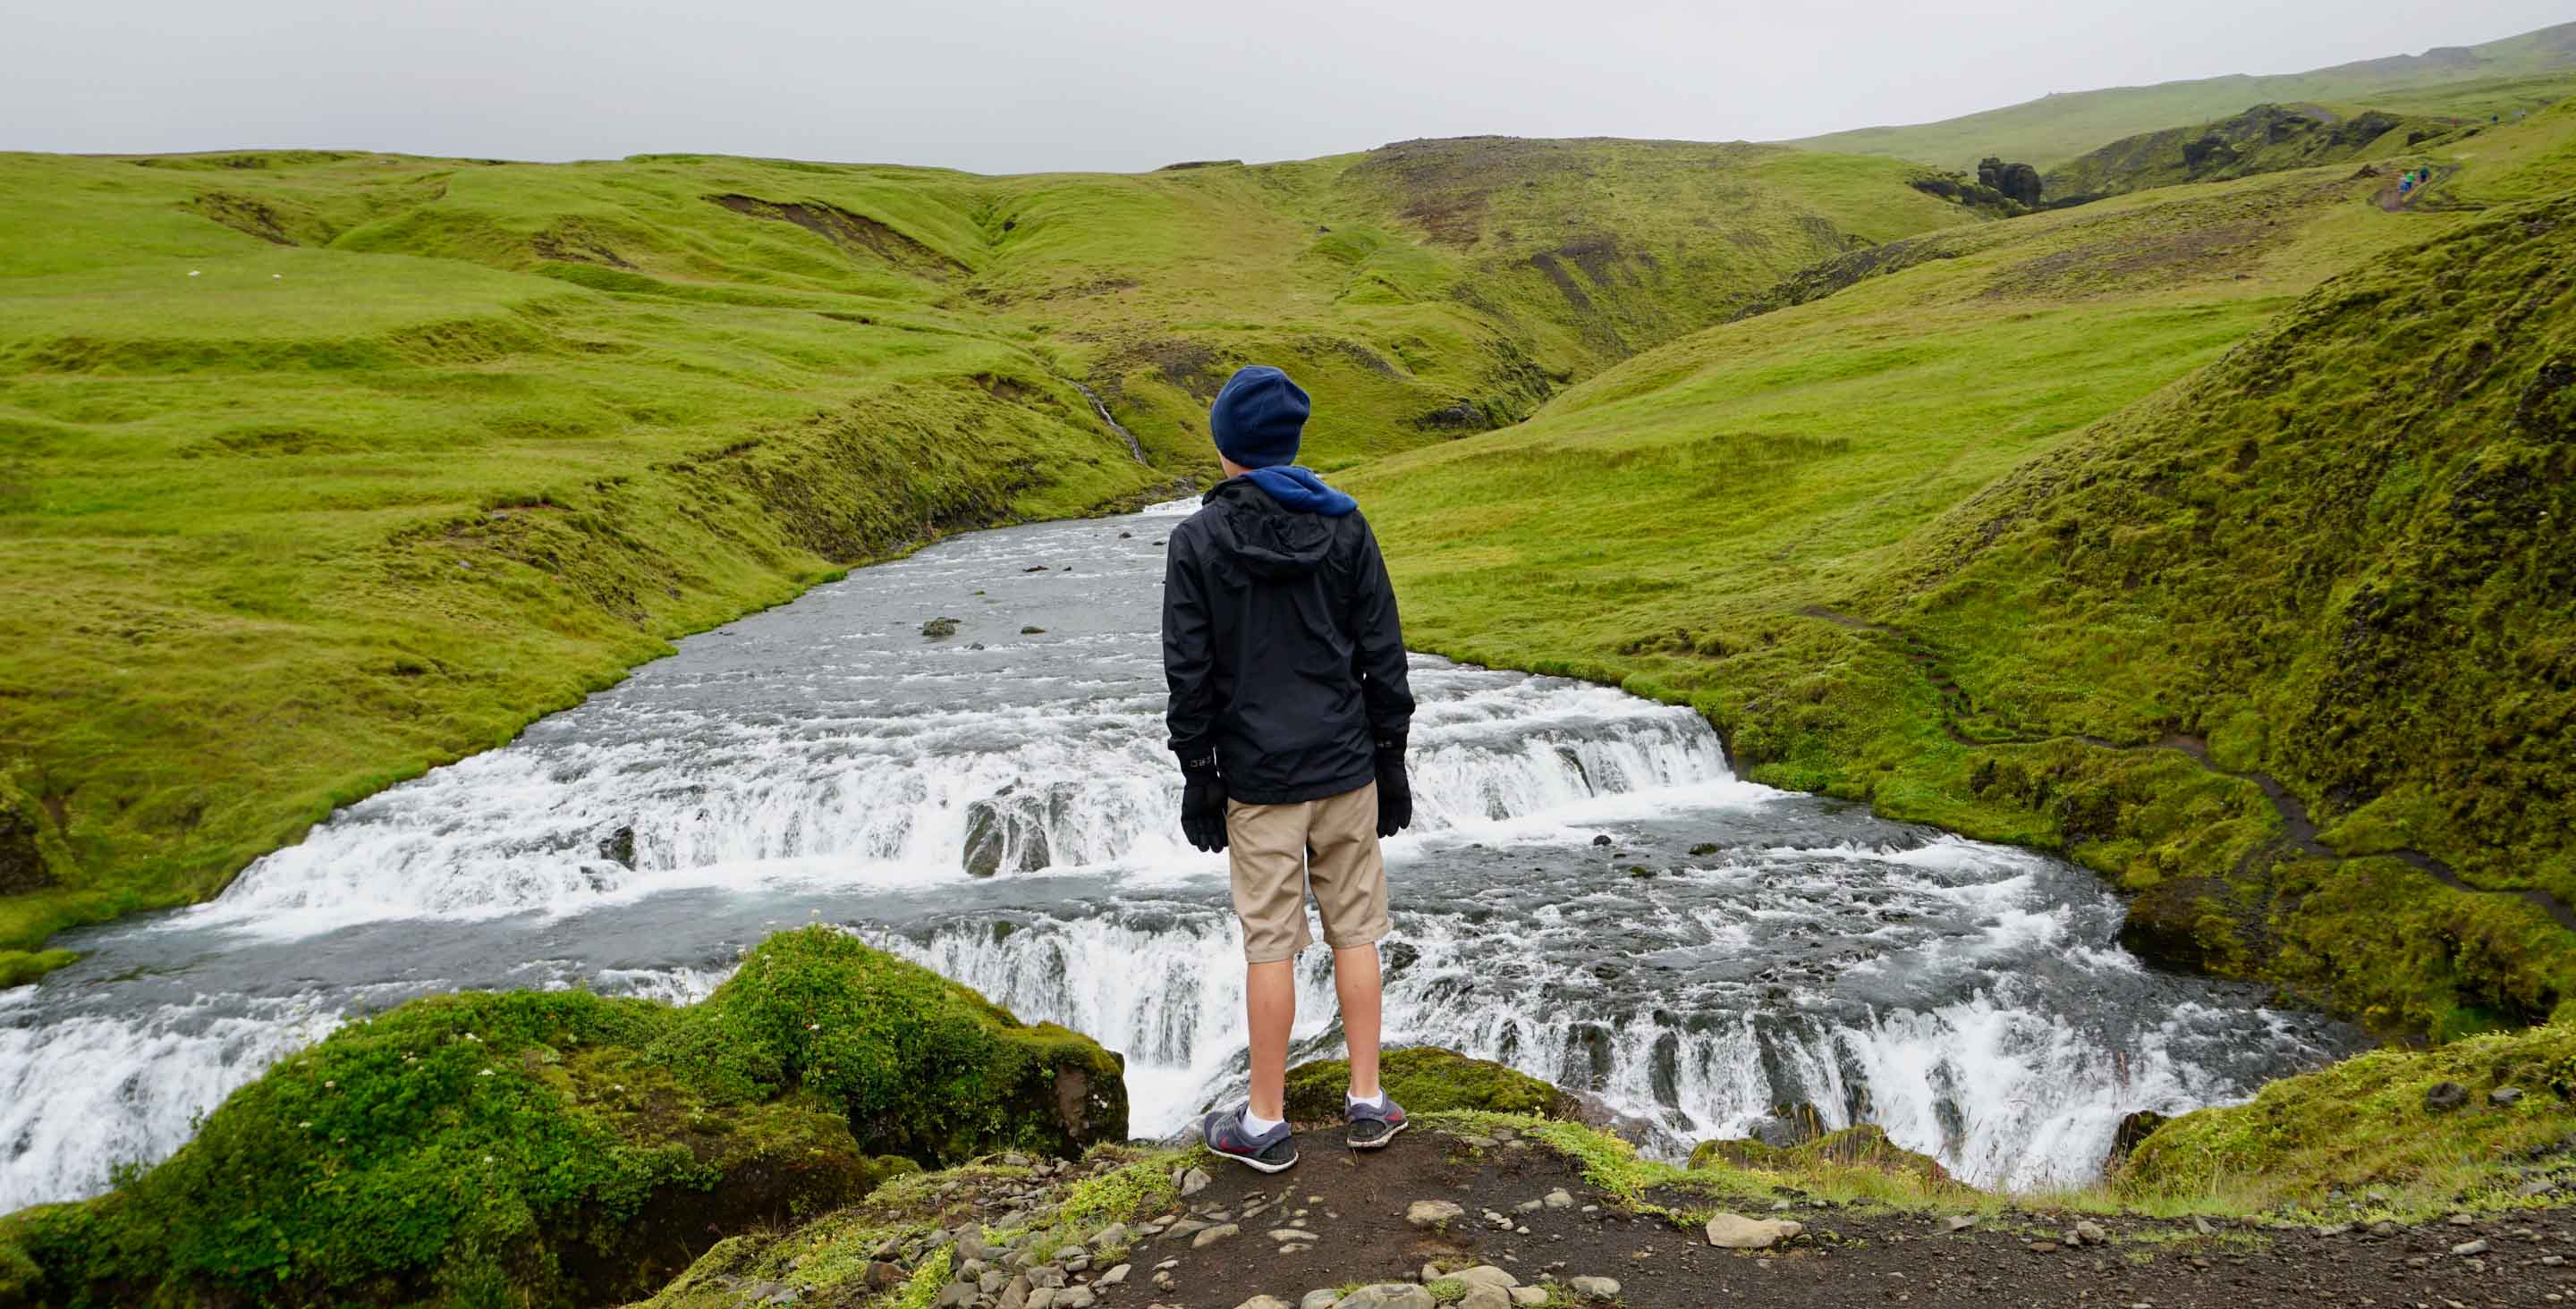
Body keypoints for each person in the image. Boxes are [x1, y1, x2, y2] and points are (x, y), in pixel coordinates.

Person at [1162, 364, 1416, 1172]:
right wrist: (1392, 758)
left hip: (1259, 781)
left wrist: (1197, 775)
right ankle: (1368, 1102)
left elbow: (1189, 672)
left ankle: (1265, 1121)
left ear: (1228, 447)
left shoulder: (1196, 540)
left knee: (1270, 944)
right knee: (1358, 931)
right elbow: (1383, 650)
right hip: (1345, 768)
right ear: (1291, 442)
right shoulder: (1346, 525)